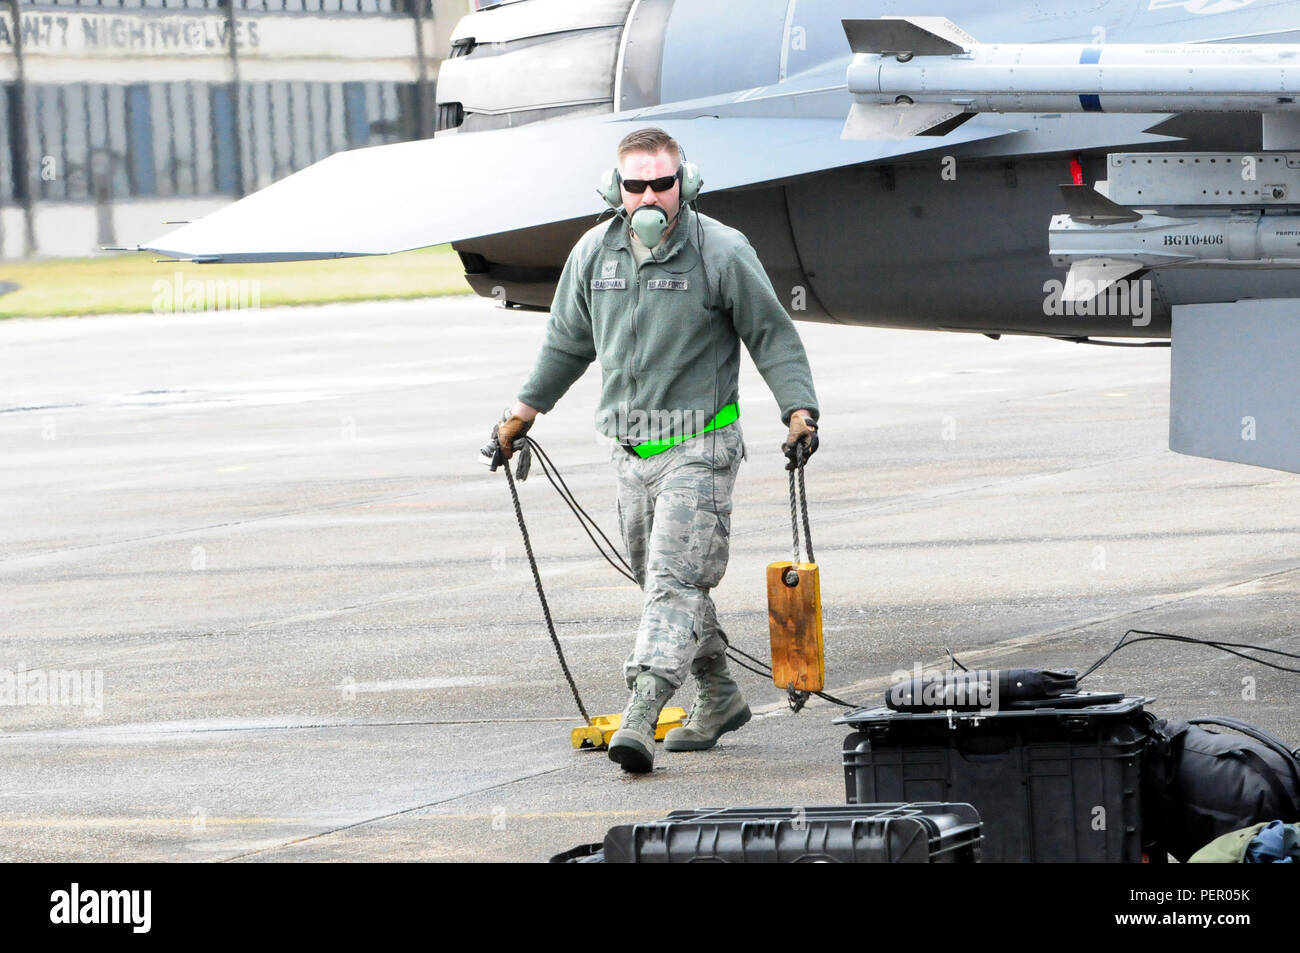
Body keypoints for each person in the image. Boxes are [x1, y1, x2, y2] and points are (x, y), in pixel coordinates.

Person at [490, 127, 820, 773]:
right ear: (617, 188)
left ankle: (641, 710)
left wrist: (798, 410)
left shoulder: (722, 250)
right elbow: (565, 343)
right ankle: (720, 693)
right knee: (663, 581)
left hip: (701, 443)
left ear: (684, 184)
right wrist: (520, 416)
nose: (649, 195)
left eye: (660, 184)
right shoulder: (593, 253)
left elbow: (771, 335)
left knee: (673, 582)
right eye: (635, 184)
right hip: (630, 451)